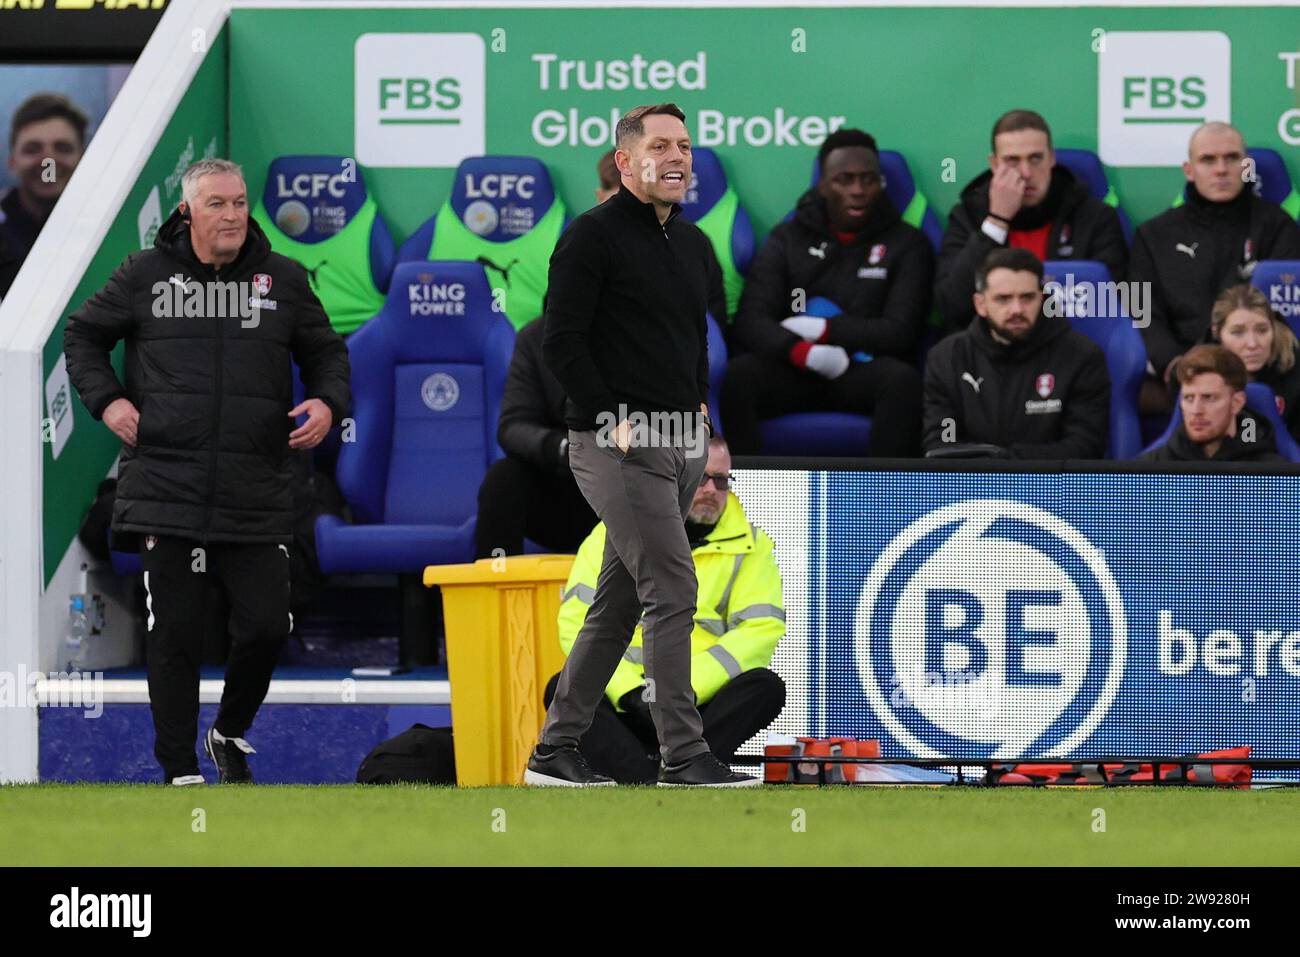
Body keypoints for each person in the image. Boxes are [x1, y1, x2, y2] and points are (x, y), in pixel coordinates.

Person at [63, 158, 351, 785]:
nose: (232, 215)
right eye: (217, 203)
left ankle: (229, 730)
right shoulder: (143, 275)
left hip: (258, 485)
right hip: (168, 484)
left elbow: (327, 352)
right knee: (175, 635)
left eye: (241, 203)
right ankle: (178, 770)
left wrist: (329, 403)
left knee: (269, 625)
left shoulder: (284, 279)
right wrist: (108, 401)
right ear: (187, 211)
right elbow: (82, 336)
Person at [529, 102, 754, 787]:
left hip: (680, 439)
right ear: (625, 161)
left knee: (621, 601)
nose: (678, 157)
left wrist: (699, 415)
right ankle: (683, 755)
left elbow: (693, 339)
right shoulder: (589, 238)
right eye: (661, 145)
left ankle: (554, 750)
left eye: (685, 145)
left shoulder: (691, 243)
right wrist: (608, 417)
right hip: (616, 442)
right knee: (675, 582)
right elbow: (560, 340)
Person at [544, 436, 785, 783]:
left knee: (764, 687)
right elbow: (576, 623)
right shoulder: (608, 534)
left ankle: (674, 766)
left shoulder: (753, 545)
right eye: (702, 478)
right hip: (626, 697)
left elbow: (759, 631)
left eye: (722, 480)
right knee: (559, 688)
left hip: (695, 701)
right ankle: (658, 774)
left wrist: (676, 692)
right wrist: (632, 692)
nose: (712, 490)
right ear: (673, 478)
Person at [722, 128, 933, 456]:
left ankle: (888, 498)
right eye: (844, 180)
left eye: (868, 179)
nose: (858, 190)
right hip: (795, 366)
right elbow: (752, 320)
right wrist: (802, 351)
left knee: (903, 382)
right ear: (822, 184)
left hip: (864, 372)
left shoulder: (907, 243)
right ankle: (745, 494)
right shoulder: (788, 238)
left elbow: (900, 330)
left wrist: (827, 329)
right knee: (739, 377)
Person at [1129, 122, 1300, 410]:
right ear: (1189, 169)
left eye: (1231, 158)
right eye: (1208, 160)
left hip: (1262, 377)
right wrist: (1176, 366)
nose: (1221, 169)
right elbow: (1140, 311)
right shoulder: (1152, 235)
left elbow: (1284, 312)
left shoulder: (1278, 226)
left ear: (1246, 166)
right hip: (1181, 374)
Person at [935, 110, 1127, 332]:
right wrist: (996, 222)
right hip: (990, 353)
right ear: (994, 164)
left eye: (1035, 159)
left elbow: (1109, 305)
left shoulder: (1094, 217)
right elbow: (952, 307)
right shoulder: (968, 215)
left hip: (1071, 347)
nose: (1026, 172)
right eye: (1012, 161)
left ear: (1052, 158)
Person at [923, 248, 1110, 458]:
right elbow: (942, 443)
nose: (1016, 310)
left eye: (1027, 298)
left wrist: (1006, 461)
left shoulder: (1082, 357)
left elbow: (1084, 447)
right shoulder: (947, 358)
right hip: (973, 487)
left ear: (1042, 298)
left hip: (1053, 487)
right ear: (980, 304)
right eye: (1003, 299)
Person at [474, 313, 598, 558]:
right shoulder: (535, 337)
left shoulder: (640, 329)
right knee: (502, 480)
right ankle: (496, 585)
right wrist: (563, 447)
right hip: (566, 481)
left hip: (630, 477)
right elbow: (513, 426)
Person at [0, 93, 88, 296]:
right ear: (12, 162)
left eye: (62, 148)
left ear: (84, 158)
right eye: (33, 149)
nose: (48, 162)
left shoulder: (113, 221)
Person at [1140, 344, 1283, 462]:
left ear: (1237, 402)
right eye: (1188, 398)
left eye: (1209, 398)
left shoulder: (1271, 472)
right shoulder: (1151, 466)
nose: (1196, 410)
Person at [1208, 284, 1300, 442]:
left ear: (1273, 328)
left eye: (1262, 330)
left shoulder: (1295, 368)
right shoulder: (1196, 373)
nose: (1252, 344)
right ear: (1217, 334)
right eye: (1238, 332)